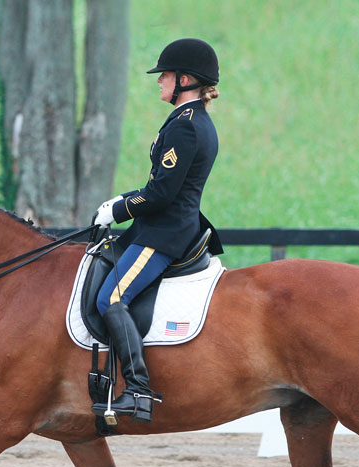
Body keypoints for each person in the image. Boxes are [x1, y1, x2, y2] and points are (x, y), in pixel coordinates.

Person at [91, 37, 223, 424]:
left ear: (185, 79)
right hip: (163, 225)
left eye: (165, 75)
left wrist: (119, 207)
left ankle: (138, 388)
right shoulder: (190, 121)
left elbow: (161, 194)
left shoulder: (186, 127)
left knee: (111, 298)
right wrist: (123, 200)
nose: (159, 80)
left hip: (164, 233)